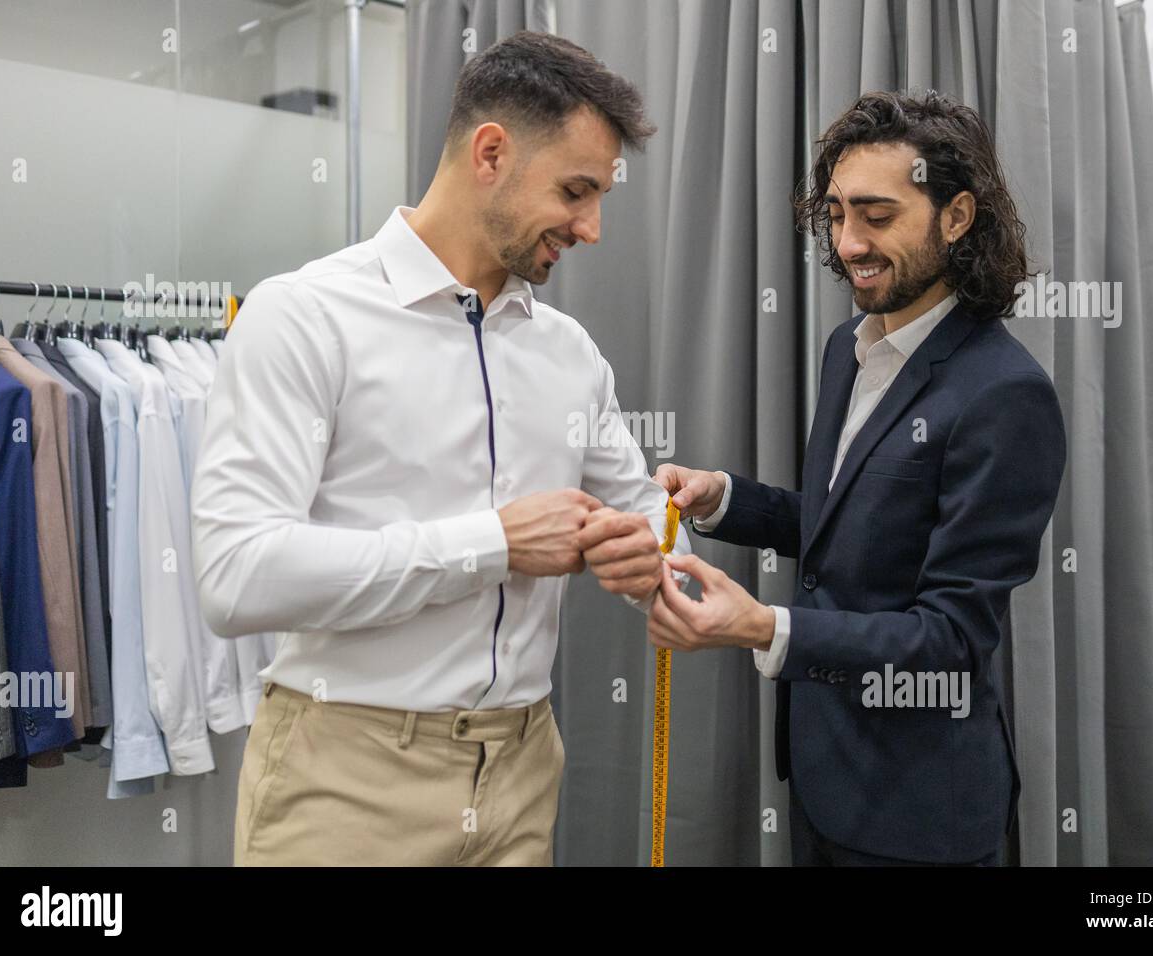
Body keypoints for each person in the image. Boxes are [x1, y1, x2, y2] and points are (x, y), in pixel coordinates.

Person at [191, 31, 688, 866]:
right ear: (491, 151)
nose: (592, 227)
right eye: (576, 191)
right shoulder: (303, 318)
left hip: (525, 770)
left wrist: (653, 559)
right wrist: (493, 543)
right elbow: (235, 575)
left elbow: (647, 519)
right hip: (346, 780)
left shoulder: (570, 353)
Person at [650, 90, 1066, 866]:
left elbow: (950, 639)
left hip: (920, 814)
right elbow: (851, 525)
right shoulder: (850, 346)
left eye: (876, 216)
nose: (847, 244)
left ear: (956, 216)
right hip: (821, 778)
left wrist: (762, 628)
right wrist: (728, 501)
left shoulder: (1005, 394)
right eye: (837, 214)